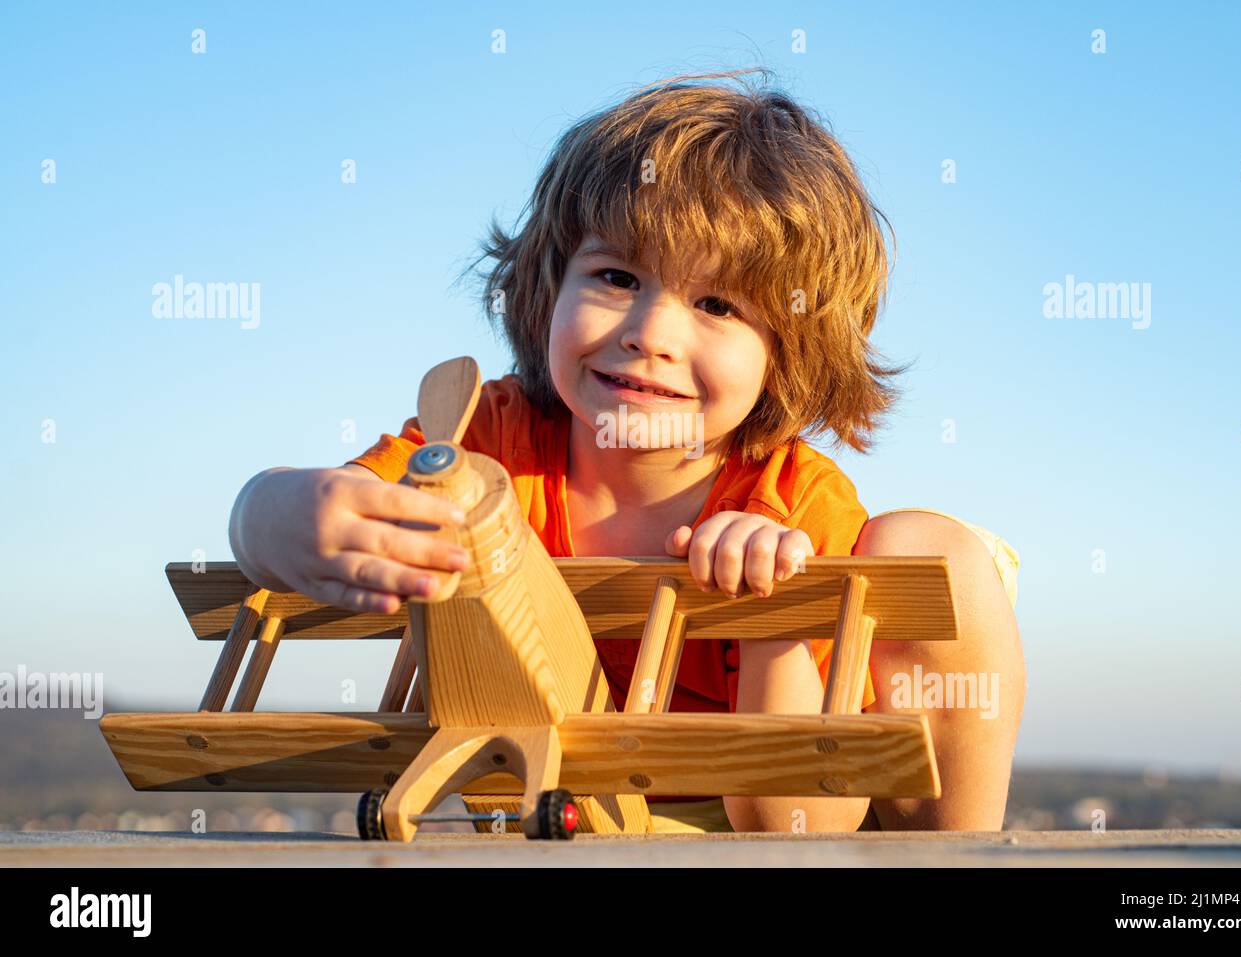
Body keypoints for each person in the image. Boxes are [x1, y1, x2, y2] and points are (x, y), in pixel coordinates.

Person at [228, 68, 1024, 833]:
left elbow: (796, 823)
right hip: (558, 806)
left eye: (716, 302)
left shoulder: (790, 501)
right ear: (549, 284)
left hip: (753, 818)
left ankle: (957, 851)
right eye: (615, 275)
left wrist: (775, 616)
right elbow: (281, 515)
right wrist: (286, 510)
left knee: (933, 550)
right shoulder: (484, 444)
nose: (650, 333)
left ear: (790, 352)